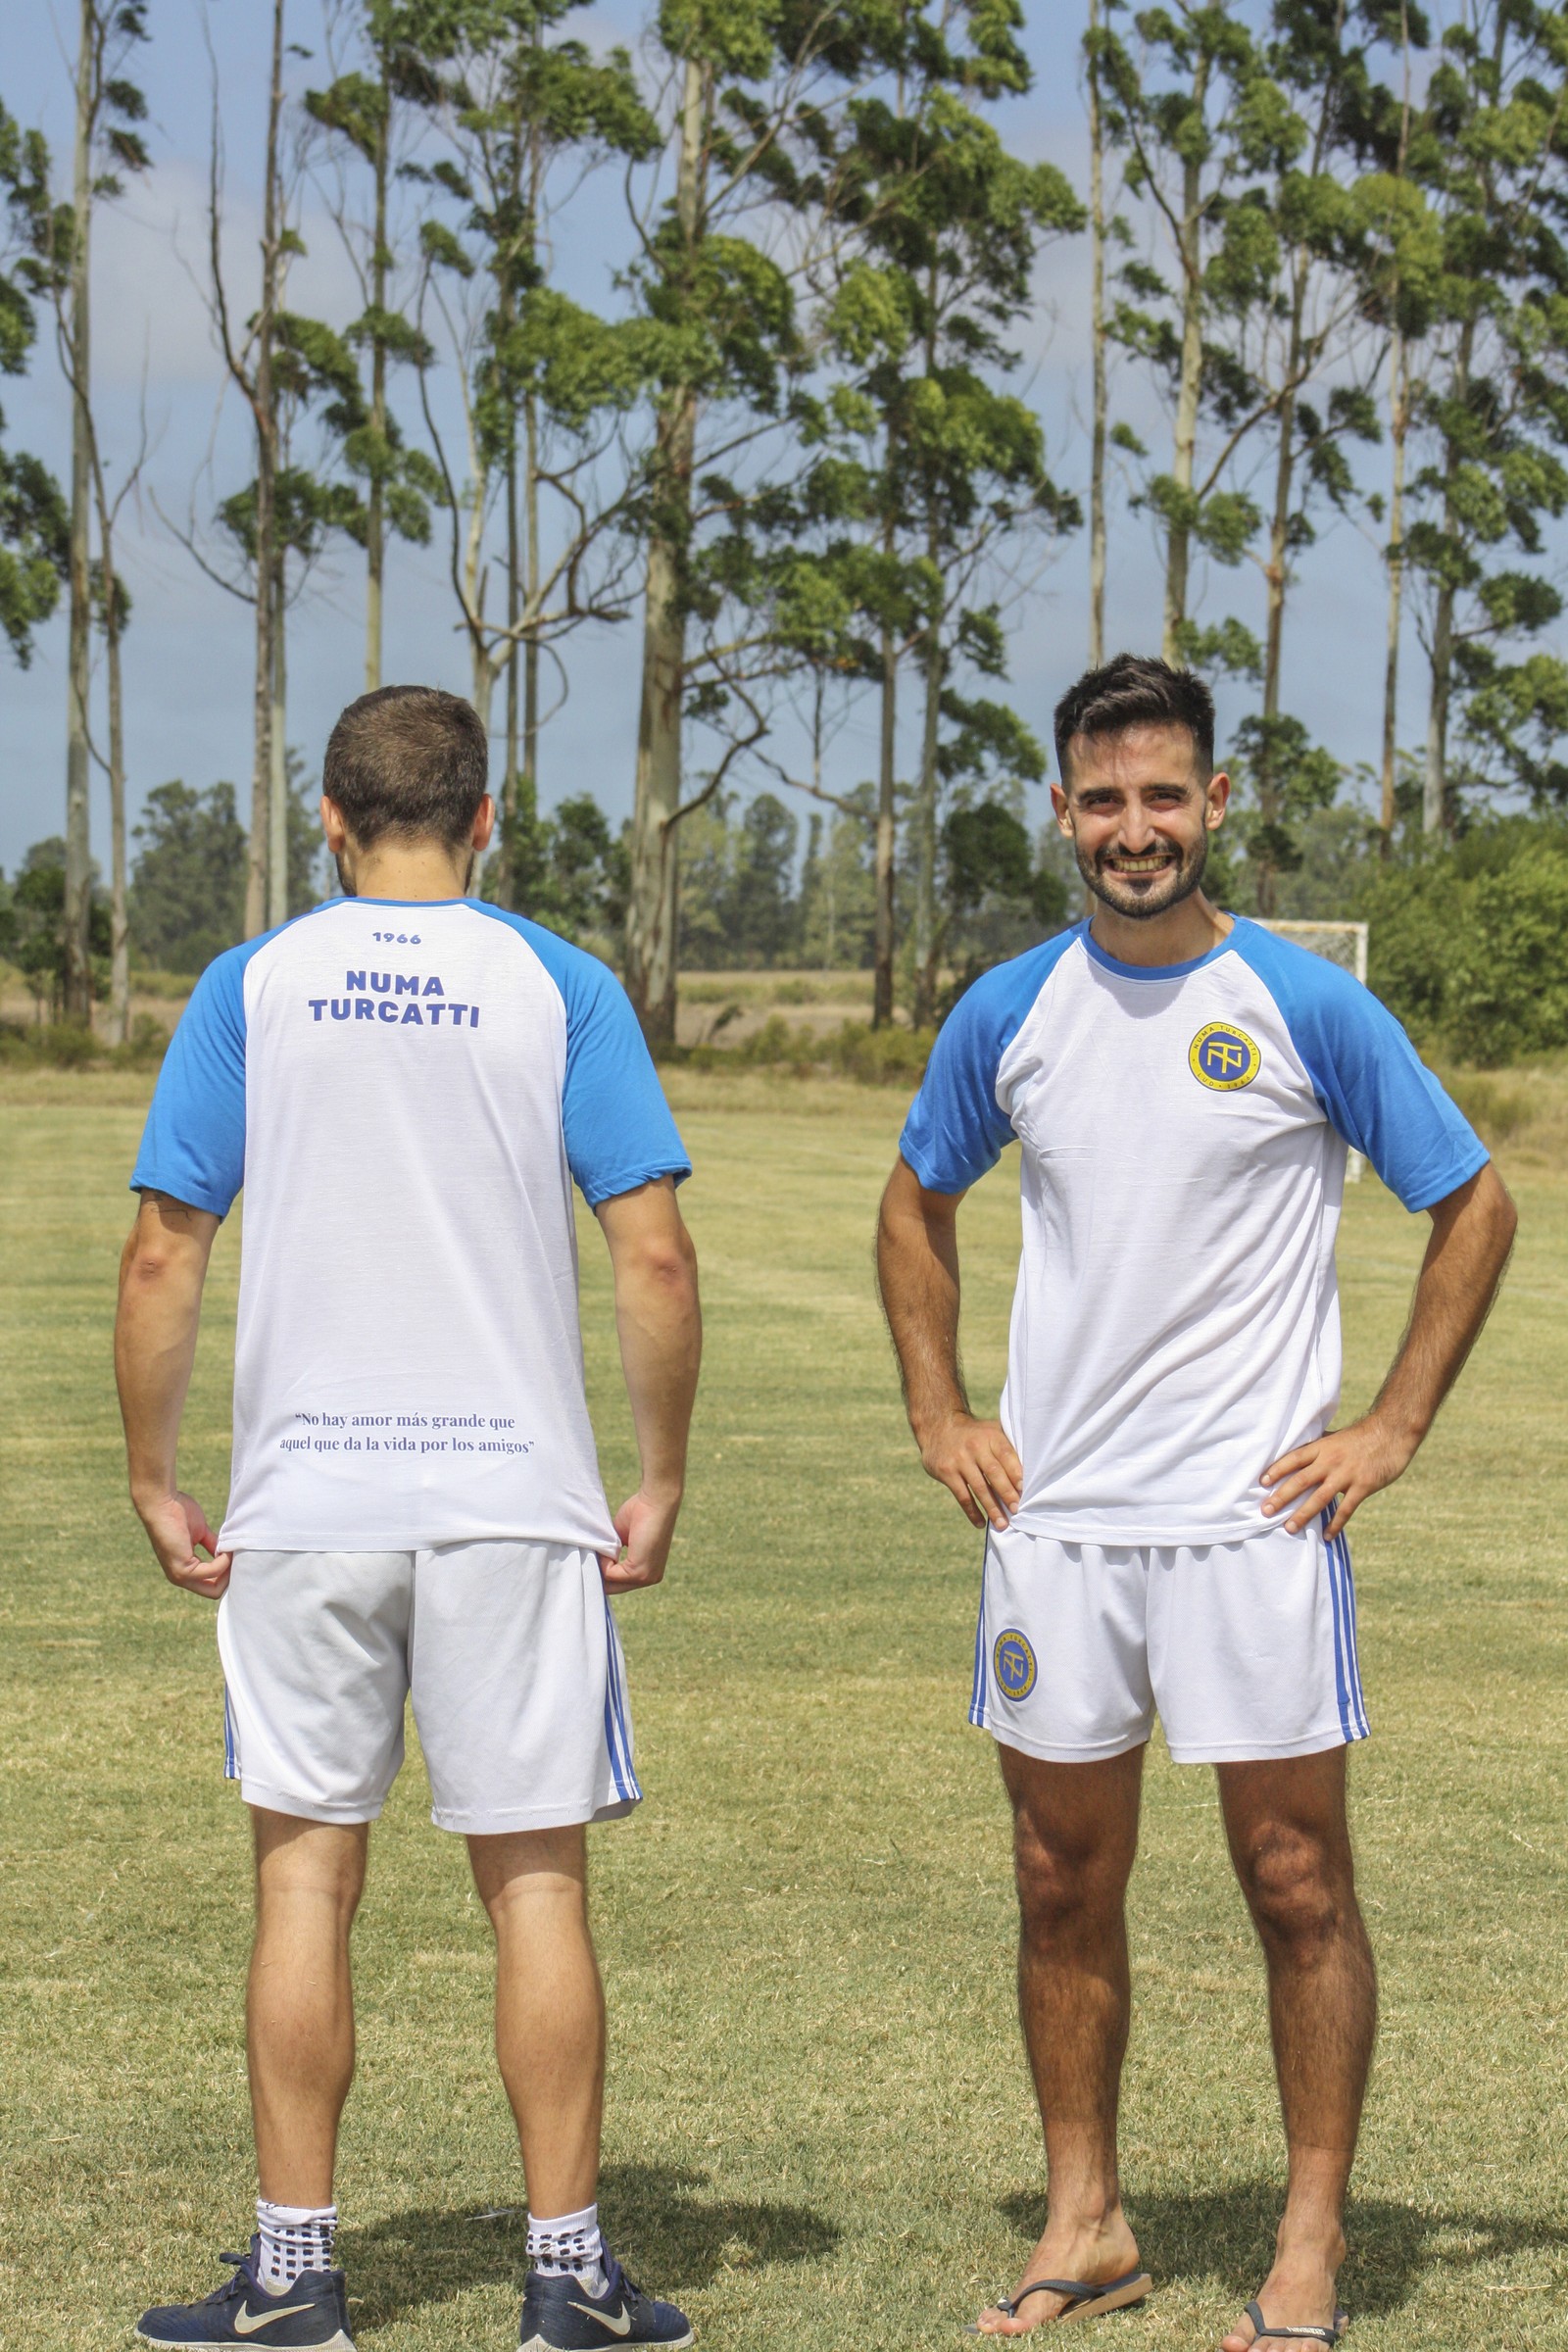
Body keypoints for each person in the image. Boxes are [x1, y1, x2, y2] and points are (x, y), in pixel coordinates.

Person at [875, 655, 1517, 2350]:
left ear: (1217, 803)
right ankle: (1083, 2218)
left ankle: (1309, 2241)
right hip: (1062, 1528)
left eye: (1166, 796)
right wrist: (939, 1409)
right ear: (1063, 812)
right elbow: (913, 1202)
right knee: (1055, 1876)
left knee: (1295, 1877)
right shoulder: (1008, 1012)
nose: (1136, 828)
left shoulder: (1309, 1005)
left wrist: (1390, 1423)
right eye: (1104, 799)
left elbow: (1474, 1204)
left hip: (1255, 1529)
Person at [115, 686, 702, 2352]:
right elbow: (651, 1255)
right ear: (490, 815)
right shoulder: (559, 984)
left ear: (327, 819)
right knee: (535, 1892)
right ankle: (566, 2278)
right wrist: (656, 1476)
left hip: (307, 1500)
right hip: (515, 1502)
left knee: (305, 1887)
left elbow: (167, 1251)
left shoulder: (254, 985)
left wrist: (158, 1478)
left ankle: (296, 2279)